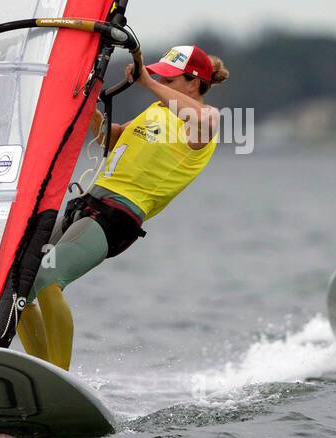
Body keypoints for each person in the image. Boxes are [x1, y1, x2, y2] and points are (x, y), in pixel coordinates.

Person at [17, 45, 229, 369]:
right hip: (89, 204)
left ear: (193, 83)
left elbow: (205, 117)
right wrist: (87, 103)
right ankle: (42, 373)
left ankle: (59, 375)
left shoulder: (201, 123)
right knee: (21, 284)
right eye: (160, 75)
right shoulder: (156, 113)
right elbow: (109, 137)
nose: (161, 81)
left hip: (117, 216)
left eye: (169, 79)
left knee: (48, 277)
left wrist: (146, 81)